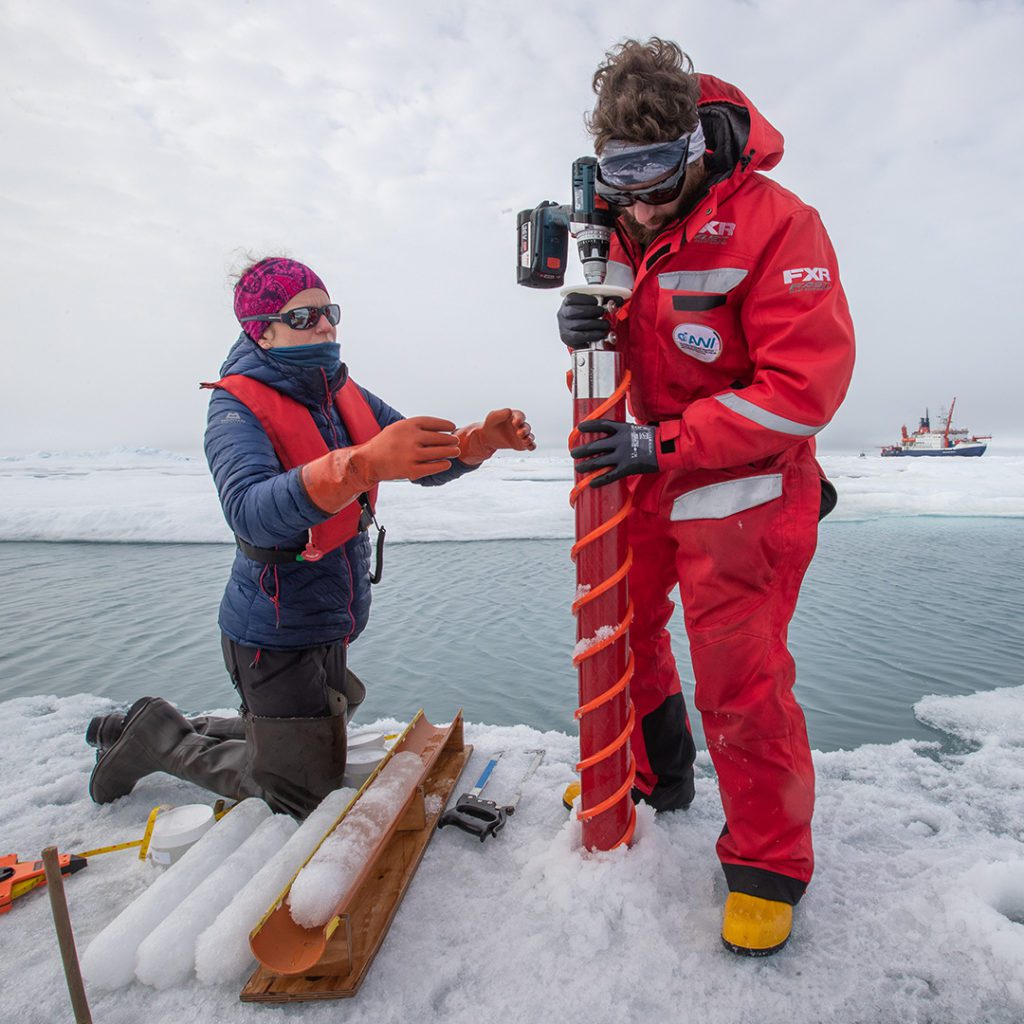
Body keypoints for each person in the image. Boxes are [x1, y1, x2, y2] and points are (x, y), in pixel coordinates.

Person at [559, 40, 854, 956]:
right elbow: (628, 349)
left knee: (739, 678)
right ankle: (657, 773)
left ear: (695, 150)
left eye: (656, 184)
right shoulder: (619, 221)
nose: (641, 207)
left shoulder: (779, 224)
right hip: (645, 470)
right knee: (623, 630)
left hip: (746, 488)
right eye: (623, 185)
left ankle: (768, 863)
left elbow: (802, 389)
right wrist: (583, 324)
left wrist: (665, 444)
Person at [87, 256, 535, 819]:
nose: (324, 325)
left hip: (328, 615)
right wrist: (360, 466)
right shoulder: (234, 406)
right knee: (301, 792)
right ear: (262, 332)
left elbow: (416, 459)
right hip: (273, 629)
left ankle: (233, 729)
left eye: (329, 312)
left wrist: (474, 444)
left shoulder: (340, 391)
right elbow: (250, 513)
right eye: (302, 317)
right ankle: (160, 739)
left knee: (320, 725)